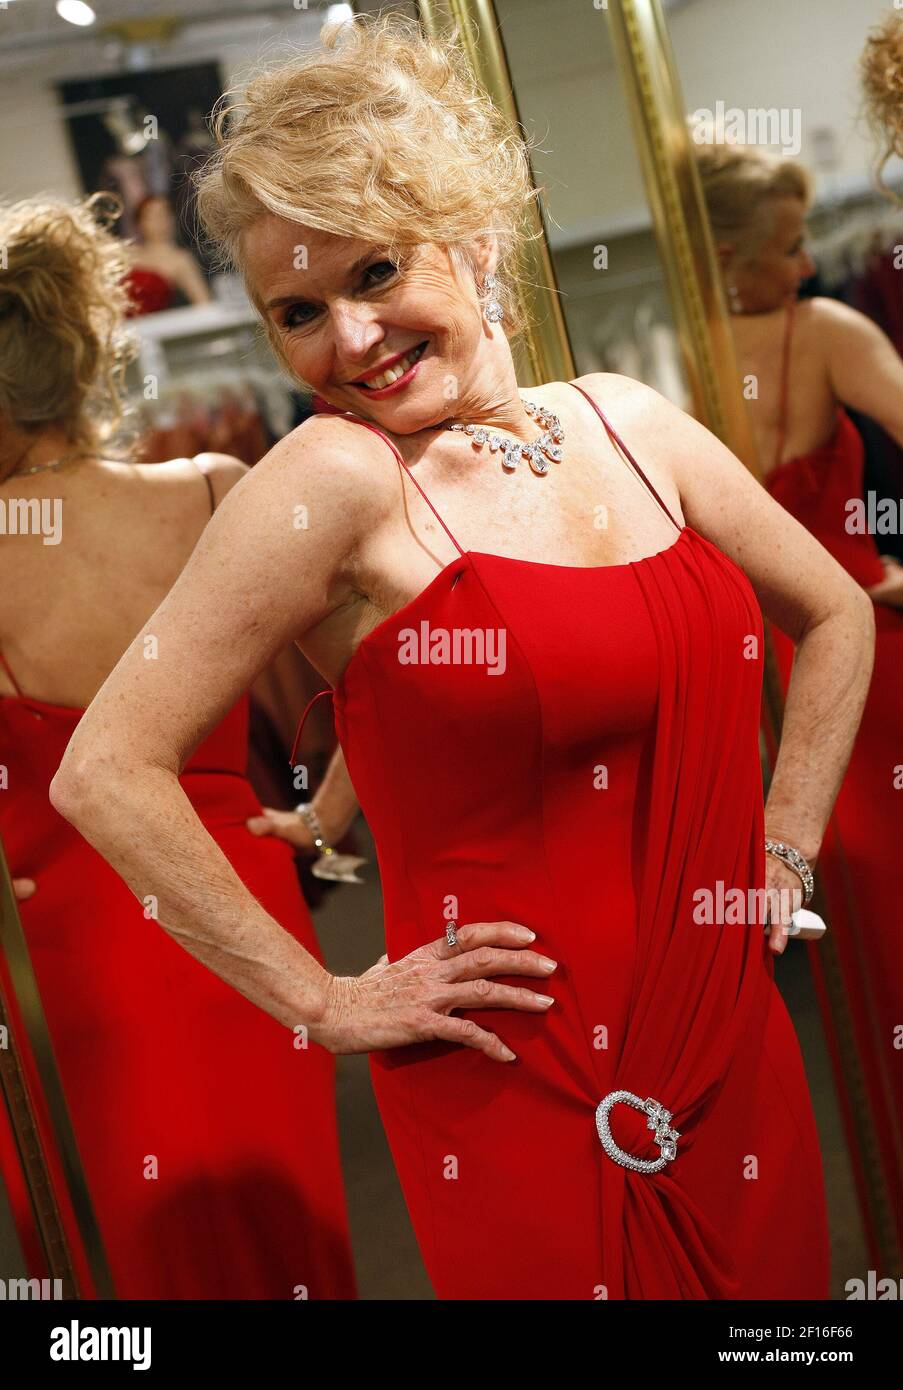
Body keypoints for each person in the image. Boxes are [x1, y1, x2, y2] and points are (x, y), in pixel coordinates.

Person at [51, 14, 874, 1299]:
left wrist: (783, 844)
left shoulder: (630, 419)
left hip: (729, 1028)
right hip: (522, 1076)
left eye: (377, 272)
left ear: (475, 240)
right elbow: (102, 768)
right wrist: (321, 999)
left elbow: (839, 612)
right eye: (298, 311)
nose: (351, 339)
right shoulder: (331, 478)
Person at [0, 192, 356, 1299]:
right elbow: (392, 679)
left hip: (74, 949)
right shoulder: (213, 489)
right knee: (283, 1227)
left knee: (137, 1265)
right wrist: (324, 820)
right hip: (244, 908)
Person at [697, 141, 903, 1231]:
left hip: (753, 674)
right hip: (862, 660)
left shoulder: (669, 368)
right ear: (724, 252)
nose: (811, 258)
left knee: (865, 945)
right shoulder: (825, 331)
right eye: (788, 245)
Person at [122, 192, 212, 315]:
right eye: (153, 216)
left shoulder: (180, 259)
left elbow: (203, 303)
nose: (161, 221)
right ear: (140, 223)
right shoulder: (128, 254)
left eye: (165, 214)